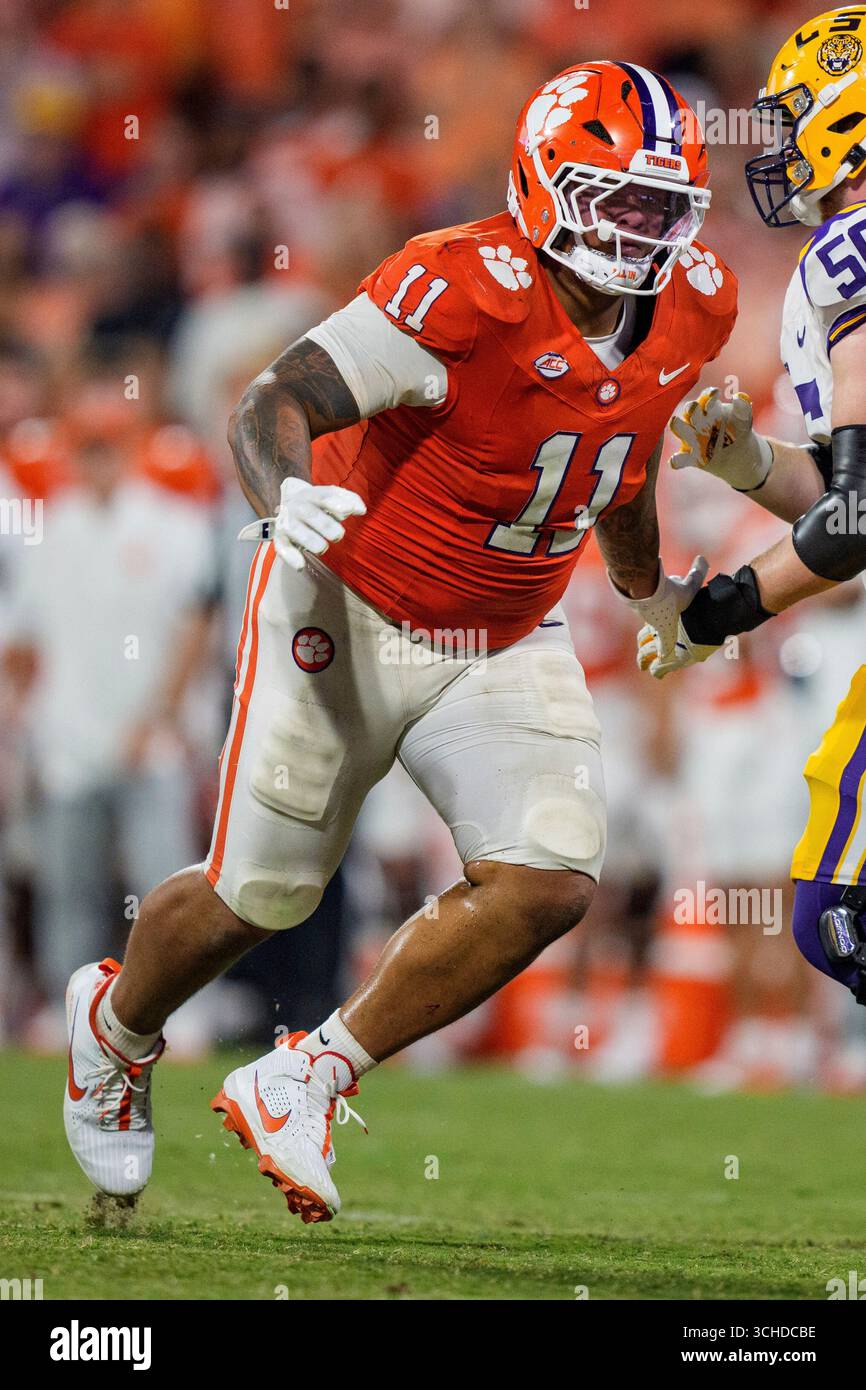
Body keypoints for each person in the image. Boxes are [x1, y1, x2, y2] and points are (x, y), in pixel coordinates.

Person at [63, 61, 736, 1222]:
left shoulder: (695, 302)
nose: (636, 232)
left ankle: (306, 1073)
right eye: (611, 198)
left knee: (548, 876)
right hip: (347, 599)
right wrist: (282, 499)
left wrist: (646, 590)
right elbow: (270, 401)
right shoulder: (455, 284)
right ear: (538, 182)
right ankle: (113, 1028)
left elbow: (617, 456)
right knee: (258, 896)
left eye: (657, 205)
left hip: (506, 630)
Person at [634, 10, 866, 1026]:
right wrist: (749, 464)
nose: (775, 144)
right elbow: (845, 493)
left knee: (835, 910)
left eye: (792, 116)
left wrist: (710, 613)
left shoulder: (850, 246)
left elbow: (856, 518)